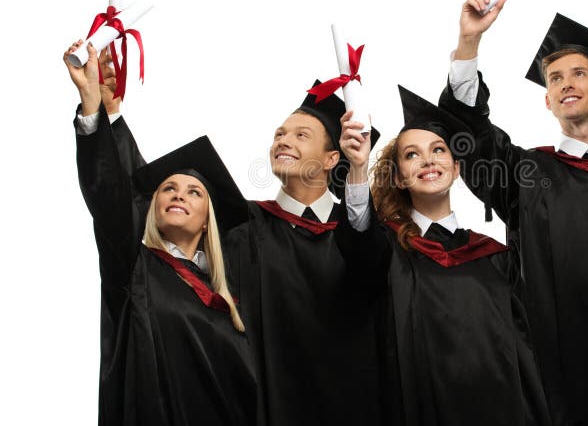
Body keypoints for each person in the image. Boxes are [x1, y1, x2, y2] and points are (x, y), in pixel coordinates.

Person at [437, 0, 588, 424]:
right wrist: (469, 42)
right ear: (547, 100)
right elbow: (469, 130)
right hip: (556, 373)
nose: (566, 83)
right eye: (555, 78)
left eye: (579, 73)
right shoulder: (526, 174)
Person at [336, 85, 553, 426]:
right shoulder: (388, 251)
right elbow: (359, 241)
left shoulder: (493, 258)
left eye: (438, 150)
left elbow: (523, 354)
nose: (427, 160)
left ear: (456, 168)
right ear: (399, 178)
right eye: (411, 155)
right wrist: (358, 167)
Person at [67, 41, 256, 425]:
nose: (178, 195)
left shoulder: (235, 295)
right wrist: (96, 108)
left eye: (194, 192)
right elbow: (111, 198)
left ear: (208, 220)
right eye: (168, 188)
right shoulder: (134, 269)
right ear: (152, 207)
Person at [223, 81, 383, 426]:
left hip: (356, 407)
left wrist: (359, 169)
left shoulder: (360, 230)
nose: (283, 141)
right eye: (279, 134)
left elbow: (370, 262)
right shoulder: (242, 228)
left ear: (331, 158)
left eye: (301, 135)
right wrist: (109, 115)